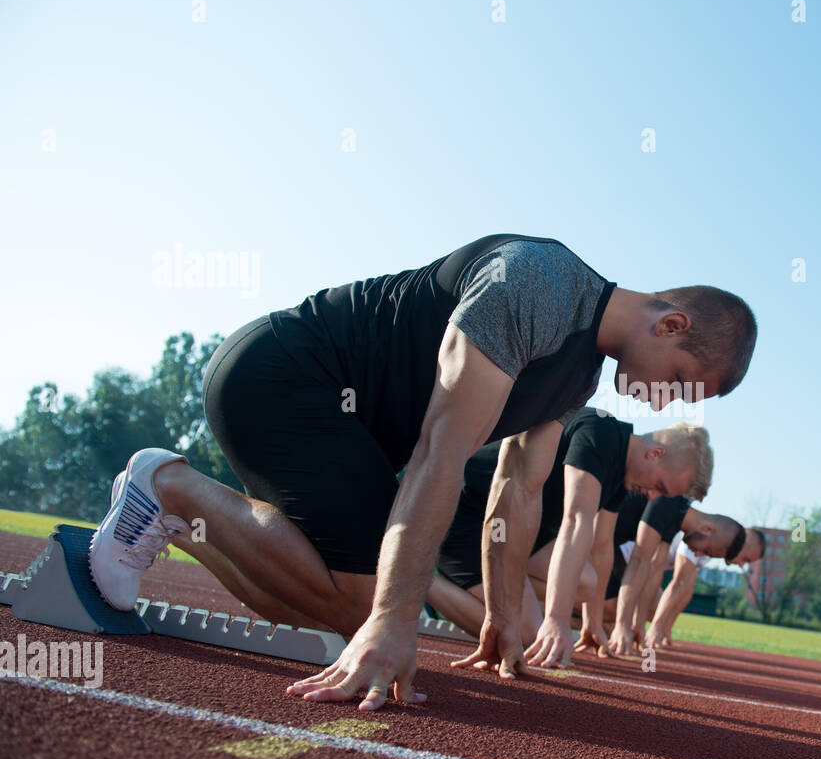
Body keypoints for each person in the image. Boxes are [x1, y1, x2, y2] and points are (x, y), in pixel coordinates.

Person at [87, 234, 756, 709]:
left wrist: (499, 612)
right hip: (285, 377)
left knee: (358, 611)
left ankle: (177, 515)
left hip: (346, 434)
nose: (662, 401)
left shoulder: (578, 377)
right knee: (368, 607)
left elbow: (516, 491)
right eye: (676, 382)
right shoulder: (540, 285)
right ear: (670, 323)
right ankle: (167, 483)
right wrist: (396, 615)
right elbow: (442, 449)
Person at [426, 409, 711, 669]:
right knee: (526, 634)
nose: (653, 496)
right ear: (655, 454)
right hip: (474, 515)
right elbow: (575, 521)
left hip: (518, 530)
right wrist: (556, 618)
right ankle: (419, 575)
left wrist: (592, 623)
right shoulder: (600, 433)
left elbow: (600, 549)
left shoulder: (621, 475)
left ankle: (499, 591)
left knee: (586, 583)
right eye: (660, 487)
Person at [643, 528, 765, 650]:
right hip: (633, 565)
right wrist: (656, 627)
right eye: (746, 559)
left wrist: (666, 628)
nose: (742, 565)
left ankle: (645, 626)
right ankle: (633, 627)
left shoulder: (709, 553)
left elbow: (686, 591)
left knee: (659, 609)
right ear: (741, 545)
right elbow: (678, 583)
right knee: (655, 610)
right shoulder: (704, 539)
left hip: (643, 572)